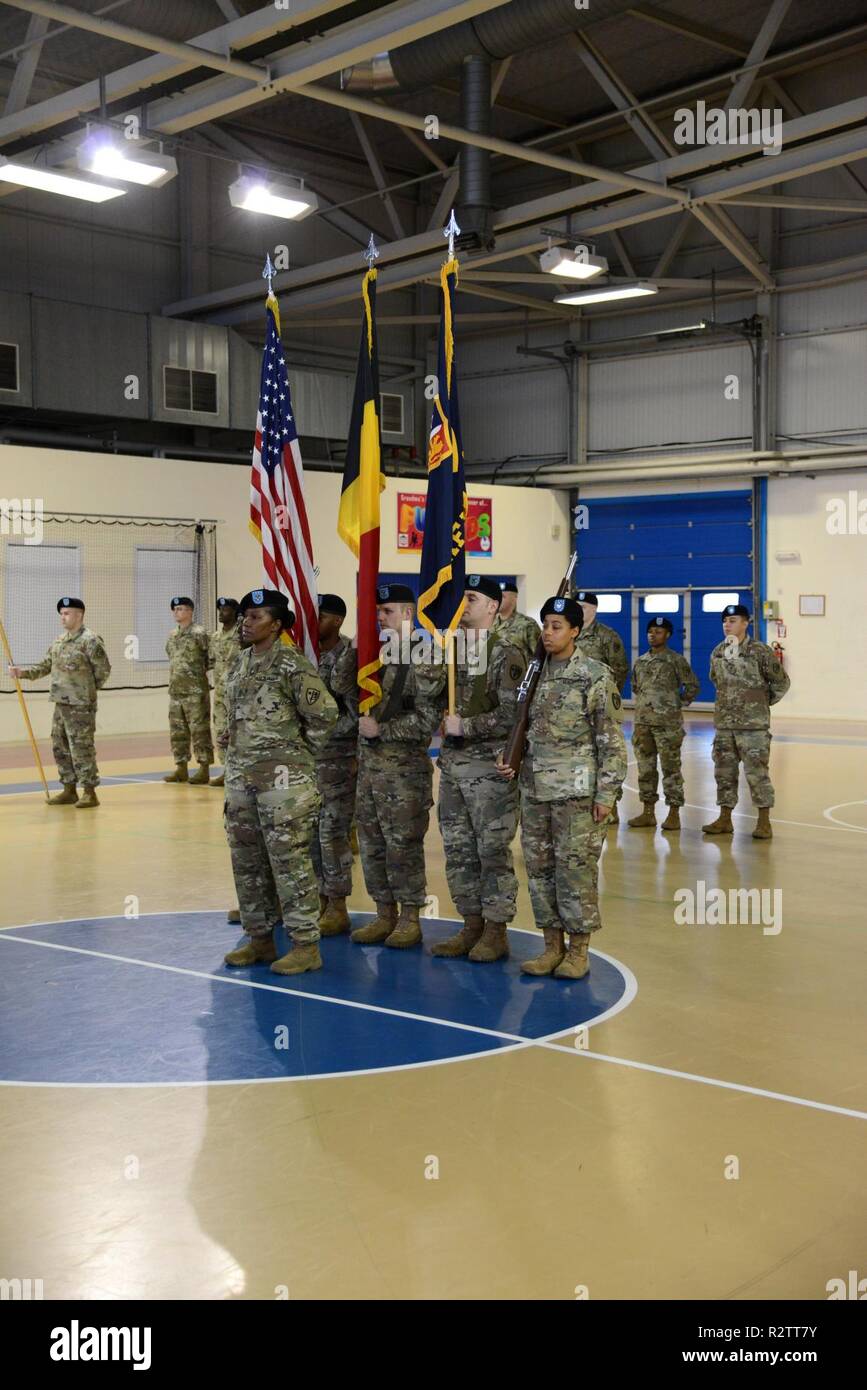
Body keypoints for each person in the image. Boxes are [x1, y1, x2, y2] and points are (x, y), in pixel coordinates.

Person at [498, 595, 626, 979]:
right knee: (539, 871)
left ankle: (578, 951)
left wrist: (606, 794)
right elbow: (521, 728)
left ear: (575, 630)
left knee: (575, 872)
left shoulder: (594, 674)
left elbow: (612, 741)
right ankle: (551, 946)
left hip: (576, 793)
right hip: (535, 791)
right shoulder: (533, 674)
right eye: (545, 626)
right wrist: (510, 762)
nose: (549, 633)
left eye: (557, 626)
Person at [220, 588, 338, 975]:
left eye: (256, 617)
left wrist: (297, 755)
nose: (246, 622)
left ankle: (305, 945)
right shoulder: (239, 663)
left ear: (276, 624)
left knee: (290, 865)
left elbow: (325, 715)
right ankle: (260, 939)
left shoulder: (292, 664)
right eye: (245, 616)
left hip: (284, 788)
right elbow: (228, 711)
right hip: (241, 783)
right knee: (248, 864)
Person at [330, 582, 442, 949]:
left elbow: (427, 721)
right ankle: (384, 914)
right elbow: (341, 685)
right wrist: (356, 648)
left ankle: (410, 917)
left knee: (402, 845)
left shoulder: (425, 654)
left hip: (404, 772)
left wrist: (384, 730)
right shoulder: (373, 652)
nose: (380, 618)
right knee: (373, 843)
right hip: (369, 769)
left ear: (408, 614)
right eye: (376, 612)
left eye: (387, 612)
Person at [433, 575, 524, 963]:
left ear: (493, 605)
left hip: (489, 769)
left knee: (491, 851)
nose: (463, 604)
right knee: (458, 850)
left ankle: (496, 930)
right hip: (453, 767)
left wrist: (464, 726)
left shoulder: (507, 652)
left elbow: (512, 714)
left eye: (471, 598)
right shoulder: (449, 649)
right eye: (462, 598)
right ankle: (470, 924)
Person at [8, 596, 110, 809]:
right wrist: (22, 672)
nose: (62, 618)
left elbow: (103, 670)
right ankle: (69, 790)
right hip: (60, 703)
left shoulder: (90, 640)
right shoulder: (59, 641)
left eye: (67, 613)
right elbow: (45, 666)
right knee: (60, 746)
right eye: (61, 614)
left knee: (81, 748)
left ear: (79, 615)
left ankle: (90, 792)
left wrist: (86, 691)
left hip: (80, 705)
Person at [703, 603, 790, 840]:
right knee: (724, 773)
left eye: (732, 621)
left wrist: (759, 704)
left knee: (757, 774)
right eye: (724, 621)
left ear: (745, 623)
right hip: (725, 727)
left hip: (753, 728)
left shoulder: (760, 651)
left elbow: (781, 682)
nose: (727, 625)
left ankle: (764, 821)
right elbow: (716, 681)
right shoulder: (718, 652)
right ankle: (724, 818)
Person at [311, 593, 358, 938]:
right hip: (308, 759)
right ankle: (318, 896)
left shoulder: (350, 656)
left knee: (332, 832)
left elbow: (357, 715)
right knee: (310, 832)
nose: (314, 622)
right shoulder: (305, 654)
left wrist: (318, 730)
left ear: (338, 620)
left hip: (338, 758)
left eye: (321, 616)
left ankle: (338, 904)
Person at [627, 616, 700, 832]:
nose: (653, 635)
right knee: (645, 769)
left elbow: (692, 686)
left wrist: (676, 703)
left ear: (667, 635)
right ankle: (648, 812)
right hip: (643, 724)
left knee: (671, 769)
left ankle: (674, 813)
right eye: (650, 631)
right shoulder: (640, 661)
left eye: (658, 632)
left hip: (668, 726)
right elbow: (635, 686)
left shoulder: (675, 661)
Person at [572, 589, 629, 824]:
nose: (580, 611)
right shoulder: (569, 633)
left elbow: (620, 669)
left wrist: (607, 702)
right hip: (572, 709)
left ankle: (611, 802)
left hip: (600, 707)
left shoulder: (607, 636)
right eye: (577, 607)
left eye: (584, 608)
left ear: (594, 610)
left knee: (606, 754)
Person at [164, 597, 213, 784]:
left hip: (195, 691)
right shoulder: (172, 635)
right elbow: (171, 656)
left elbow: (211, 657)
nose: (178, 612)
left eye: (182, 608)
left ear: (191, 611)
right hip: (176, 691)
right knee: (178, 732)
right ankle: (181, 768)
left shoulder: (200, 633)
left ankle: (204, 768)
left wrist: (196, 674)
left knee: (199, 731)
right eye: (175, 609)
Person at [208, 598, 241, 789]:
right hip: (220, 692)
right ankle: (226, 769)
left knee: (236, 731)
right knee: (220, 730)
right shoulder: (216, 637)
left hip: (237, 692)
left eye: (226, 609)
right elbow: (211, 661)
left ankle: (238, 771)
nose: (221, 613)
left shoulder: (241, 634)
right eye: (220, 609)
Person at [492, 580, 541, 668]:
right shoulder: (489, 623)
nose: (497, 600)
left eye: (502, 597)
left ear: (514, 599)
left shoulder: (527, 624)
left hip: (517, 677)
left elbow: (538, 657)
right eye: (496, 597)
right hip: (492, 678)